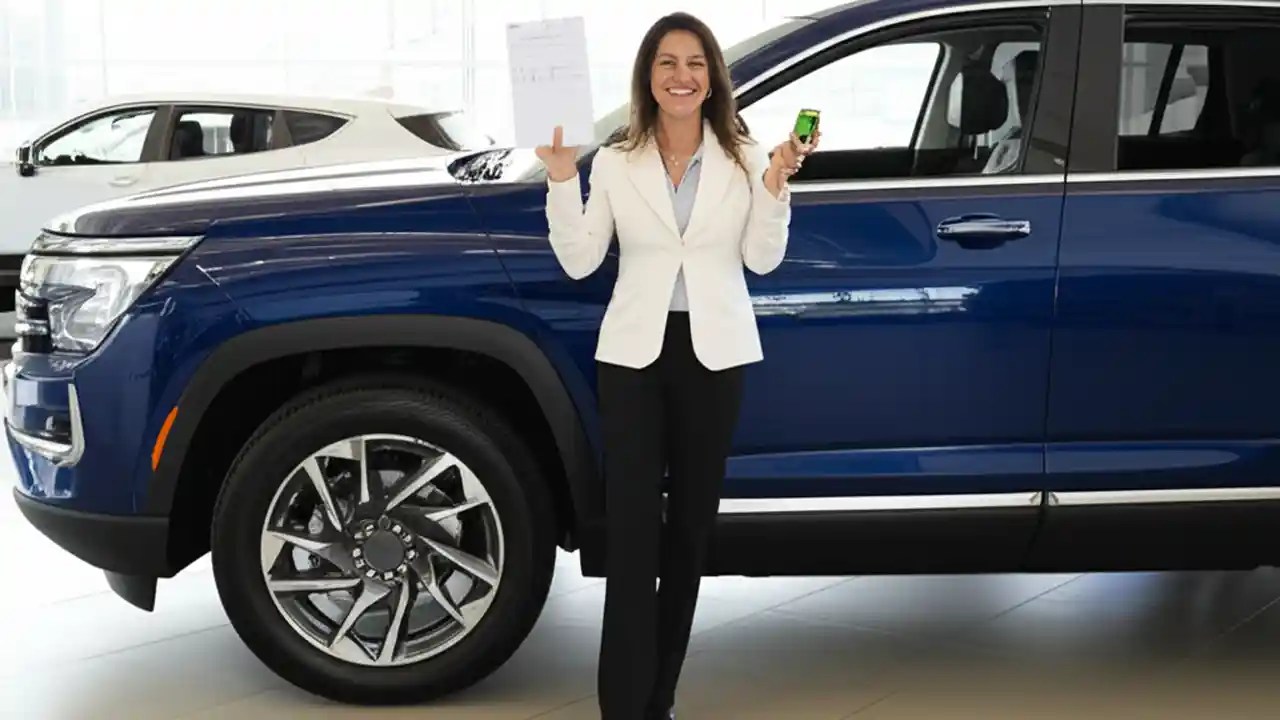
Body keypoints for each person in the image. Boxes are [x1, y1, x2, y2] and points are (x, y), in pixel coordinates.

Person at [535, 11, 817, 719]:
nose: (682, 76)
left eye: (695, 63)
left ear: (712, 76)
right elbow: (578, 260)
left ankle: (659, 697)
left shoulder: (749, 156)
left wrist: (778, 185)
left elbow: (761, 259)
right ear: (649, 76)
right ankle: (623, 704)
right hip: (633, 356)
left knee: (689, 531)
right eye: (667, 62)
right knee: (630, 533)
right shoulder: (615, 159)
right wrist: (562, 179)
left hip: (714, 356)